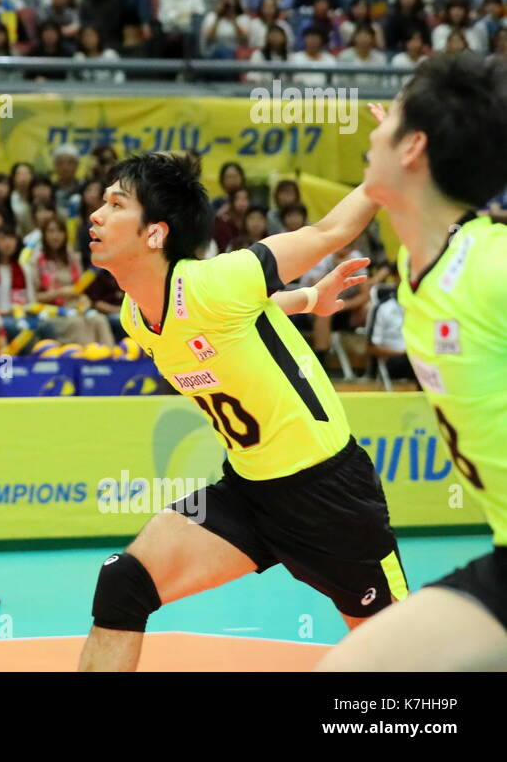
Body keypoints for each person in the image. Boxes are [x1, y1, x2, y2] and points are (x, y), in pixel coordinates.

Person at [77, 152, 408, 672]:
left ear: (155, 234)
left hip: (328, 496)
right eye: (100, 203)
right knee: (124, 583)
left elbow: (330, 229)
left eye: (115, 204)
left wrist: (390, 172)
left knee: (401, 656)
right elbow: (234, 324)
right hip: (248, 493)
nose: (94, 214)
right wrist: (304, 300)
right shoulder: (135, 315)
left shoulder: (217, 280)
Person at [318, 55, 507, 670]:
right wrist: (406, 146)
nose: (371, 131)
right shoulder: (419, 265)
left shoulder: (491, 268)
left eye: (388, 121)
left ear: (414, 147)